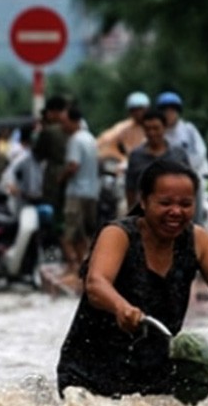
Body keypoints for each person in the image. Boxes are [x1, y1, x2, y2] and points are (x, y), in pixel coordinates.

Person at [56, 159, 208, 398]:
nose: (176, 211)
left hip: (155, 376)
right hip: (88, 373)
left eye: (185, 204)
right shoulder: (118, 234)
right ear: (144, 201)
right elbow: (96, 283)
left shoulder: (199, 241)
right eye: (165, 203)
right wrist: (120, 307)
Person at [59, 104, 100, 277]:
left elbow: (73, 165)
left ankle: (72, 266)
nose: (62, 126)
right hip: (92, 192)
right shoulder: (90, 138)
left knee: (68, 234)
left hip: (76, 192)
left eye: (64, 122)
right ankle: (84, 265)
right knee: (84, 233)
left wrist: (60, 178)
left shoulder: (75, 139)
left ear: (74, 121)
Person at [158, 90, 208, 223]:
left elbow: (200, 152)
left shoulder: (188, 130)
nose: (169, 114)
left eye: (172, 110)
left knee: (203, 208)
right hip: (169, 177)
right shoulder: (159, 132)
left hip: (195, 174)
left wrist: (186, 170)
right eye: (165, 111)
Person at [123, 107, 190, 210]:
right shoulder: (136, 156)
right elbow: (130, 188)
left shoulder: (178, 155)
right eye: (148, 129)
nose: (152, 133)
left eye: (156, 128)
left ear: (164, 127)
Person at [32, 95, 70, 237]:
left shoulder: (49, 131)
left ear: (53, 112)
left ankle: (62, 243)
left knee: (57, 213)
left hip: (54, 175)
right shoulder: (75, 127)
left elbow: (38, 154)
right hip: (74, 175)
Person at [96, 91, 149, 164]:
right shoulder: (124, 127)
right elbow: (104, 141)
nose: (138, 113)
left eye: (140, 109)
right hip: (131, 163)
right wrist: (122, 158)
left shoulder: (153, 125)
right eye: (134, 110)